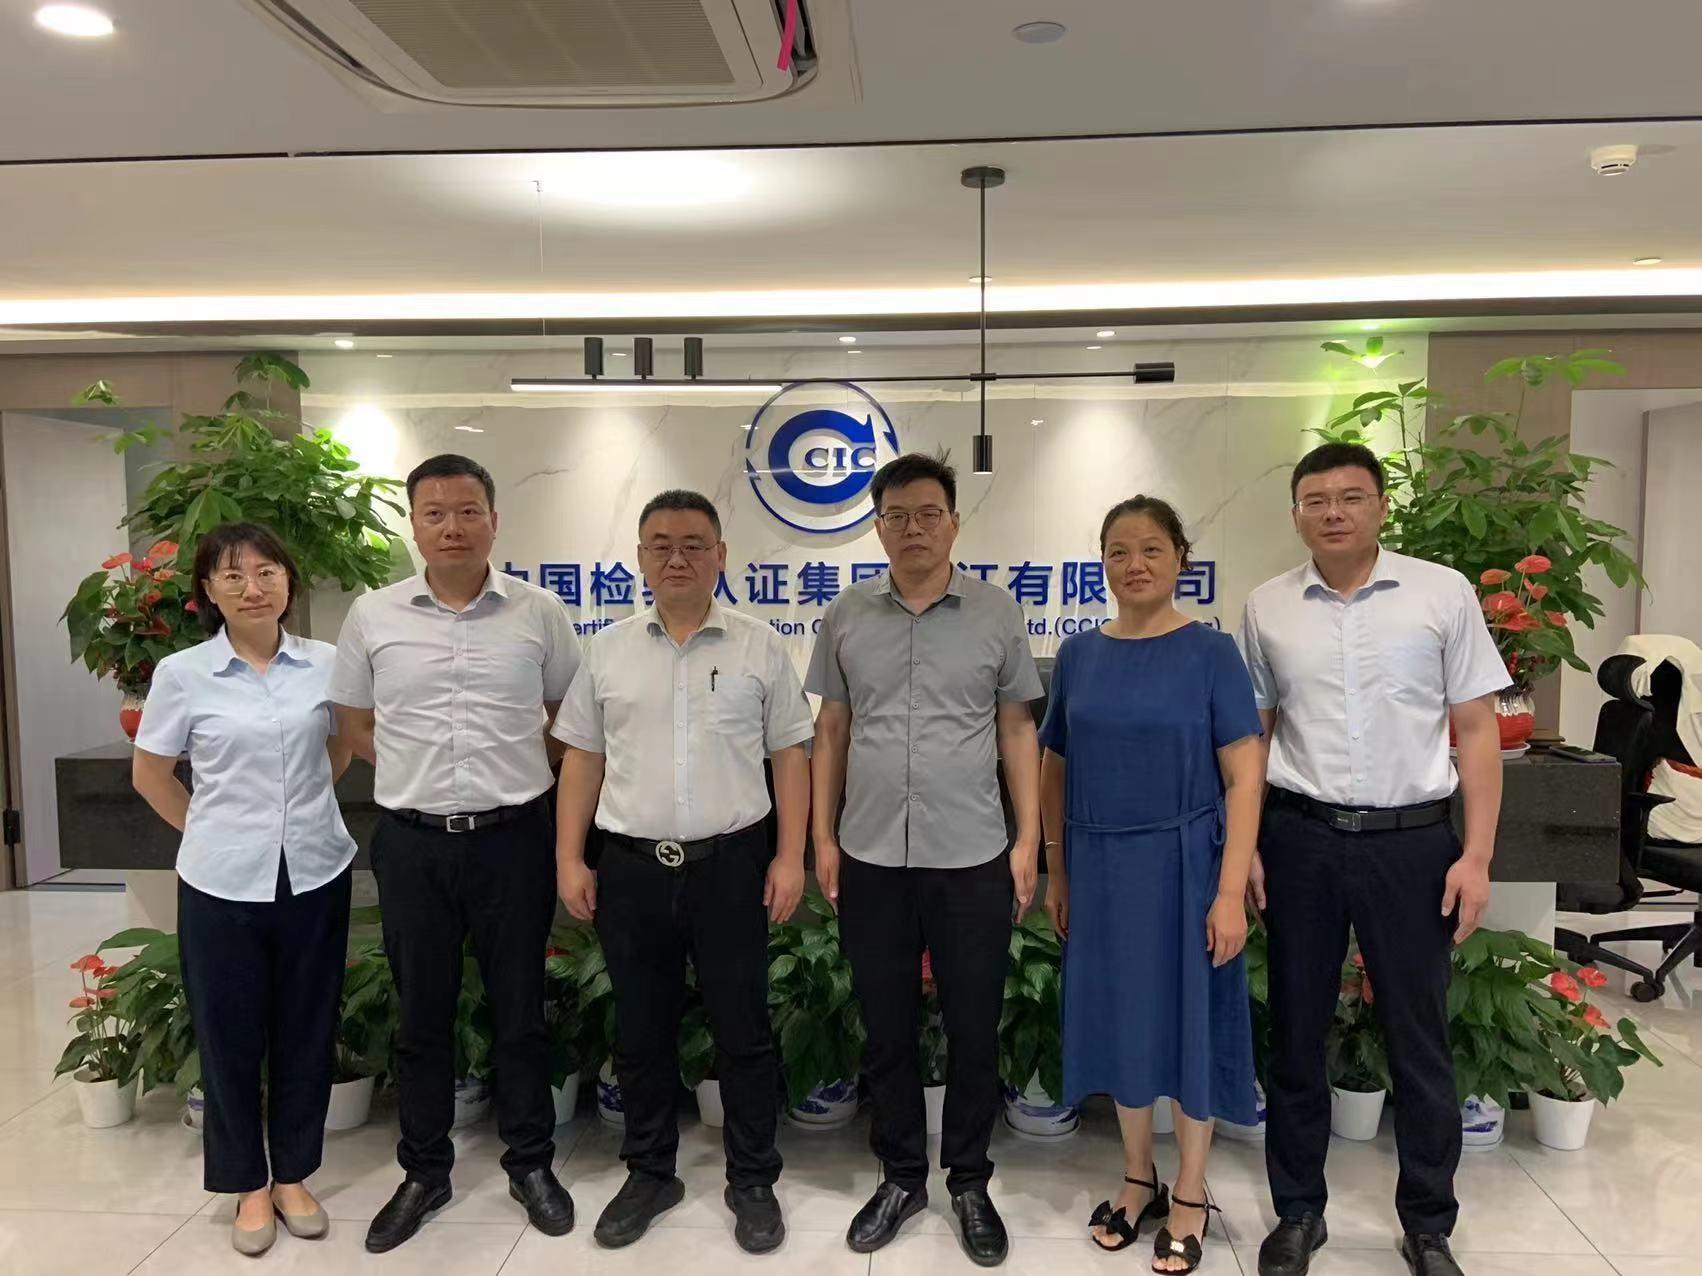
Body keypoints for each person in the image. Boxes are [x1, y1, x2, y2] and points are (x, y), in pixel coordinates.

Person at [1238, 442, 1508, 1276]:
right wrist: (1247, 848)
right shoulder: (1267, 606)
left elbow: (1476, 730)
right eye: (1315, 499)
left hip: (1414, 843)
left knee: (1418, 1038)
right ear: (1295, 513)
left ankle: (1427, 1224)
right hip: (1301, 839)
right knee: (1296, 1033)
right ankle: (1298, 1212)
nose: (1333, 512)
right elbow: (1256, 738)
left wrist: (1476, 856)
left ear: (1381, 506)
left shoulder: (1441, 592)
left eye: (1351, 496)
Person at [331, 454, 582, 1254]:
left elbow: (567, 718)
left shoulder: (539, 612)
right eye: (434, 513)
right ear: (414, 525)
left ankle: (530, 1162)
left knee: (520, 1012)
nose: (452, 527)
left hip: (513, 839)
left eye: (468, 511)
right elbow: (354, 724)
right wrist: (418, 768)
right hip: (412, 844)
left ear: (494, 521)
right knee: (421, 1017)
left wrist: (509, 767)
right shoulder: (373, 615)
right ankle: (425, 1170)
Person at [554, 489, 814, 1254]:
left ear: (721, 556)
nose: (677, 558)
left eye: (694, 544)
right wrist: (569, 856)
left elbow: (790, 756)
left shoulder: (760, 646)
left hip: (731, 864)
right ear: (639, 558)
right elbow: (583, 758)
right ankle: (650, 1173)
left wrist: (789, 854)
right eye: (660, 544)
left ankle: (753, 1179)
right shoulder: (606, 650)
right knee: (640, 1031)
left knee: (744, 1030)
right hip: (631, 868)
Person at [807, 451, 1043, 1268]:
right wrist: (823, 838)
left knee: (974, 1025)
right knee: (886, 1026)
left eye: (928, 514)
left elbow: (1017, 728)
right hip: (871, 853)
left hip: (972, 853)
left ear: (954, 523)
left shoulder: (996, 613)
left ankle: (969, 1180)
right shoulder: (844, 614)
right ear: (878, 527)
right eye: (897, 516)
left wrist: (1027, 840)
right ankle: (903, 1177)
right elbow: (831, 730)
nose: (914, 529)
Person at [1039, 497, 1264, 1274]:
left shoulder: (1212, 652)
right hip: (1101, 868)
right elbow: (1055, 766)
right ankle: (1139, 1176)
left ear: (1179, 560)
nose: (1134, 565)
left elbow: (1244, 777)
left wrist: (1229, 891)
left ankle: (1192, 1190)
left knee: (1190, 1021)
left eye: (1151, 549)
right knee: (1122, 1022)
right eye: (1118, 551)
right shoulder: (1078, 656)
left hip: (1187, 865)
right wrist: (1058, 867)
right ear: (1102, 562)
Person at [131, 522, 354, 1257]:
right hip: (221, 883)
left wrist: (303, 809)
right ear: (208, 591)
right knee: (228, 1034)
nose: (252, 587)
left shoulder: (325, 664)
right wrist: (210, 828)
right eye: (232, 576)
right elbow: (151, 774)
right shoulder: (183, 674)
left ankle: (292, 1174)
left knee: (307, 1027)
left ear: (289, 581)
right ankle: (246, 1184)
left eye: (266, 572)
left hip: (314, 871)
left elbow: (340, 749)